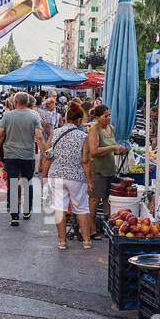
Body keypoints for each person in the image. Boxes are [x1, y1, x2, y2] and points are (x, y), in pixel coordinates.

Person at [42, 100, 95, 250]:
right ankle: (86, 241)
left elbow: (47, 155)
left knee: (59, 207)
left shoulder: (55, 133)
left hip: (56, 174)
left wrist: (44, 176)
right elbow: (85, 161)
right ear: (79, 120)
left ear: (66, 118)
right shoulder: (83, 135)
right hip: (76, 176)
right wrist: (90, 180)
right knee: (82, 208)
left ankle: (62, 241)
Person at [0, 91, 44, 226]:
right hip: (28, 155)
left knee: (13, 183)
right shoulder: (34, 115)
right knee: (28, 181)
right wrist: (44, 153)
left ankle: (14, 215)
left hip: (10, 155)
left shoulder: (8, 115)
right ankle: (27, 210)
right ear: (27, 102)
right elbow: (39, 136)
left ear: (15, 102)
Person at [85, 104, 126, 236]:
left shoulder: (111, 128)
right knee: (94, 199)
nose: (108, 118)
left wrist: (119, 151)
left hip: (110, 169)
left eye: (109, 115)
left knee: (108, 199)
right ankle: (91, 229)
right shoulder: (94, 130)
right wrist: (113, 147)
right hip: (98, 170)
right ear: (97, 117)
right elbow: (94, 151)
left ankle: (107, 226)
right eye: (105, 116)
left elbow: (111, 150)